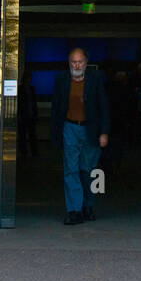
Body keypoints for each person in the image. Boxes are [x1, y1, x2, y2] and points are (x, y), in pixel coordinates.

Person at [50, 46, 110, 225]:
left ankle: (88, 206)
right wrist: (56, 133)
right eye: (73, 62)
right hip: (70, 128)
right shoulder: (61, 79)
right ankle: (74, 210)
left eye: (79, 62)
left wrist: (104, 132)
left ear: (86, 63)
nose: (76, 65)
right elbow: (56, 108)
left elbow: (104, 107)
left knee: (90, 171)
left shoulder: (96, 79)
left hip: (91, 130)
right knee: (71, 170)